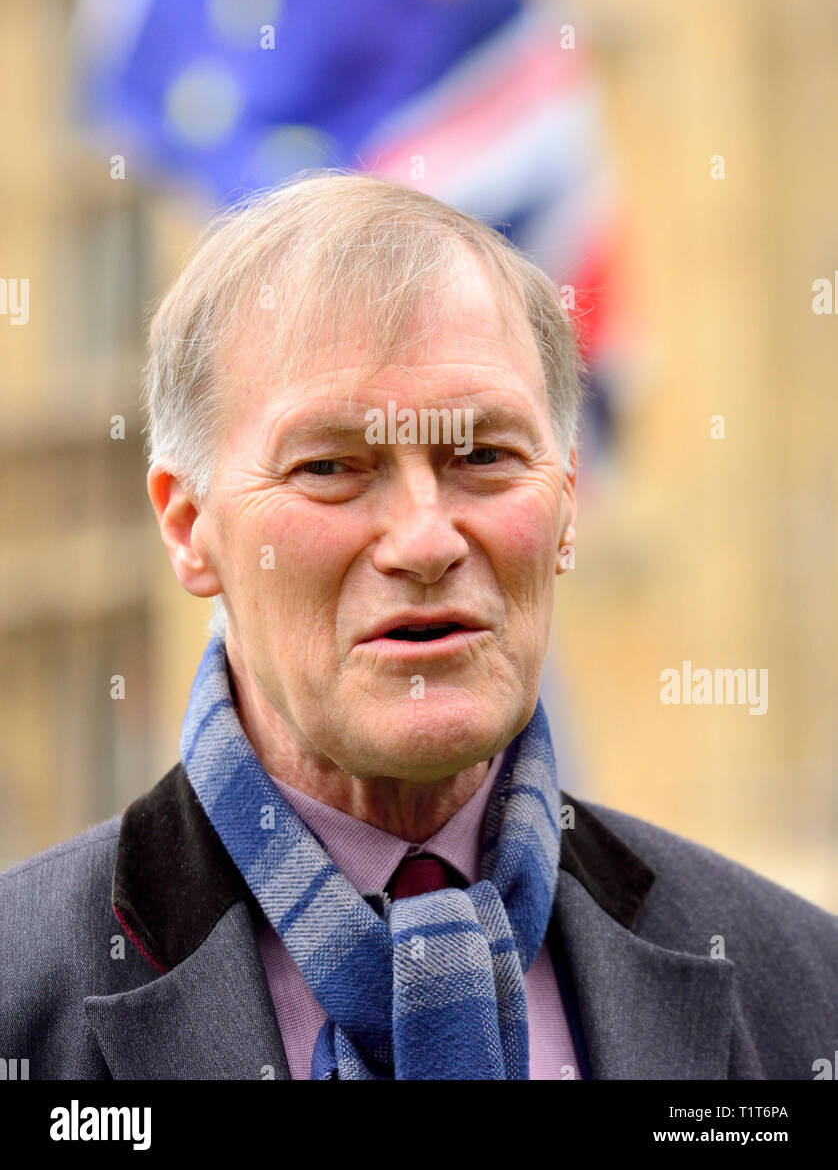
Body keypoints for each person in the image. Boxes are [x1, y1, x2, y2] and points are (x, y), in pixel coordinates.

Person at [2, 172, 836, 1080]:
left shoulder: (804, 989)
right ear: (190, 527)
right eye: (330, 467)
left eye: (482, 455)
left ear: (564, 507)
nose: (426, 541)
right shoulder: (21, 996)